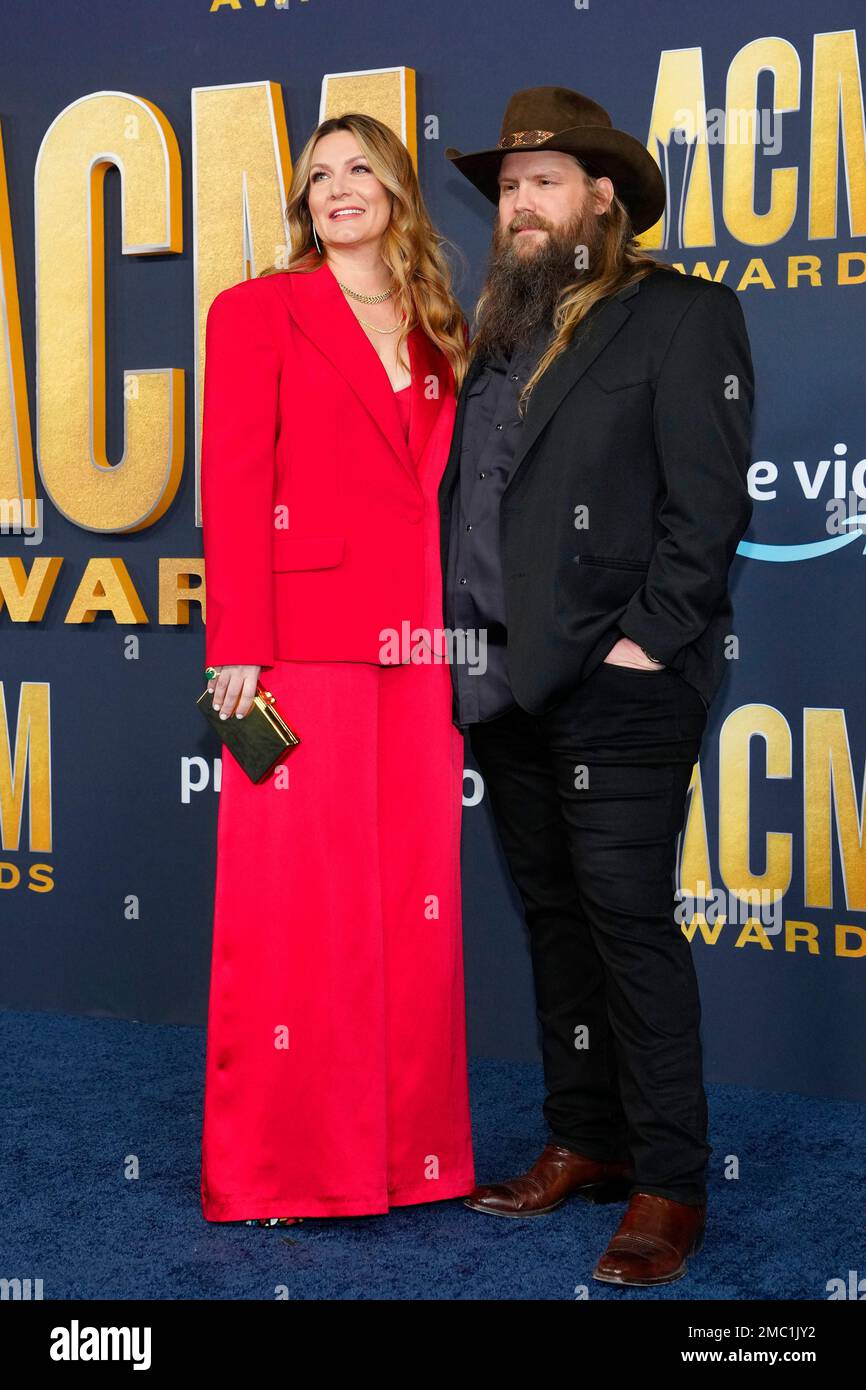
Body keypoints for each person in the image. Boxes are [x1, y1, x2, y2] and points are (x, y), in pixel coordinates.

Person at [441, 85, 754, 1284]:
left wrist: (647, 641)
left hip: (623, 685)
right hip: (502, 683)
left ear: (602, 197)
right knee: (554, 923)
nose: (520, 204)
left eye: (544, 182)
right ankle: (587, 1138)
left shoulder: (681, 316)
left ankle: (670, 1182)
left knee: (625, 926)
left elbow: (707, 503)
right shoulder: (499, 336)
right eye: (508, 188)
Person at [199, 112, 474, 1225]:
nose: (338, 188)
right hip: (302, 649)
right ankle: (280, 1165)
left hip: (416, 653)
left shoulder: (435, 327)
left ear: (397, 191)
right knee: (296, 914)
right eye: (319, 175)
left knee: (413, 909)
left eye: (360, 168)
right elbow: (232, 480)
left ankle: (410, 1161)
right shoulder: (257, 310)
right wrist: (237, 648)